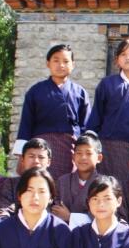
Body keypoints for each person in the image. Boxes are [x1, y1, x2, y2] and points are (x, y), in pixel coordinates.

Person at [15, 43, 91, 181]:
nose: (61, 65)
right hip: (40, 147)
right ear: (48, 63)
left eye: (66, 61)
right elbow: (26, 123)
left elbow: (86, 126)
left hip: (70, 149)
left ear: (73, 64)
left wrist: (85, 152)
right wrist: (22, 153)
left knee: (67, 183)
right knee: (39, 180)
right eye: (56, 60)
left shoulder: (80, 92)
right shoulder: (35, 91)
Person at [87, 37, 129, 181]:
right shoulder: (106, 84)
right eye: (123, 54)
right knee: (107, 185)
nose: (128, 58)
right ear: (117, 60)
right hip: (108, 146)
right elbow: (97, 115)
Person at [53, 132, 104, 227]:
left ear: (99, 158)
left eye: (88, 153)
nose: (83, 157)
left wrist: (70, 217)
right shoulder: (62, 181)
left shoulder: (103, 184)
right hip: (63, 231)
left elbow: (102, 216)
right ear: (73, 157)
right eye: (79, 153)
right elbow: (57, 211)